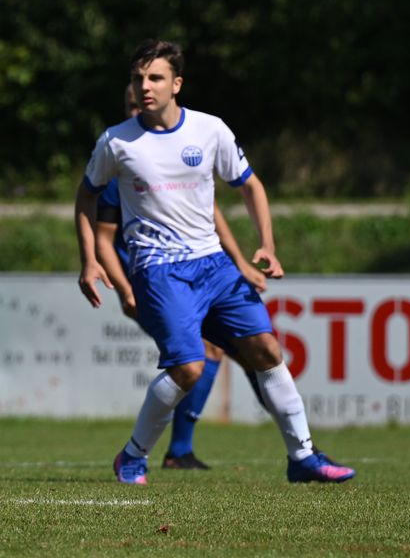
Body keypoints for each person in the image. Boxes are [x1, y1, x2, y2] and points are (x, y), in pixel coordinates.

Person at [75, 39, 355, 485]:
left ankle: (302, 457)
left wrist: (265, 245)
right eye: (137, 79)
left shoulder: (209, 130)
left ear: (176, 84)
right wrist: (90, 261)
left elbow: (249, 186)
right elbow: (86, 197)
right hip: (160, 271)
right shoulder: (116, 142)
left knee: (266, 351)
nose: (144, 87)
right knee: (189, 367)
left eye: (155, 78)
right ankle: (133, 455)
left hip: (214, 265)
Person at [94, 84, 270, 470]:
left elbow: (207, 212)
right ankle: (170, 451)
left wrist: (238, 261)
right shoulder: (120, 160)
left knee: (244, 353)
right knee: (204, 354)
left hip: (194, 273)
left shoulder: (171, 150)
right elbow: (99, 235)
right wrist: (123, 288)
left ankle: (293, 440)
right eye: (130, 103)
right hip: (150, 282)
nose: (138, 106)